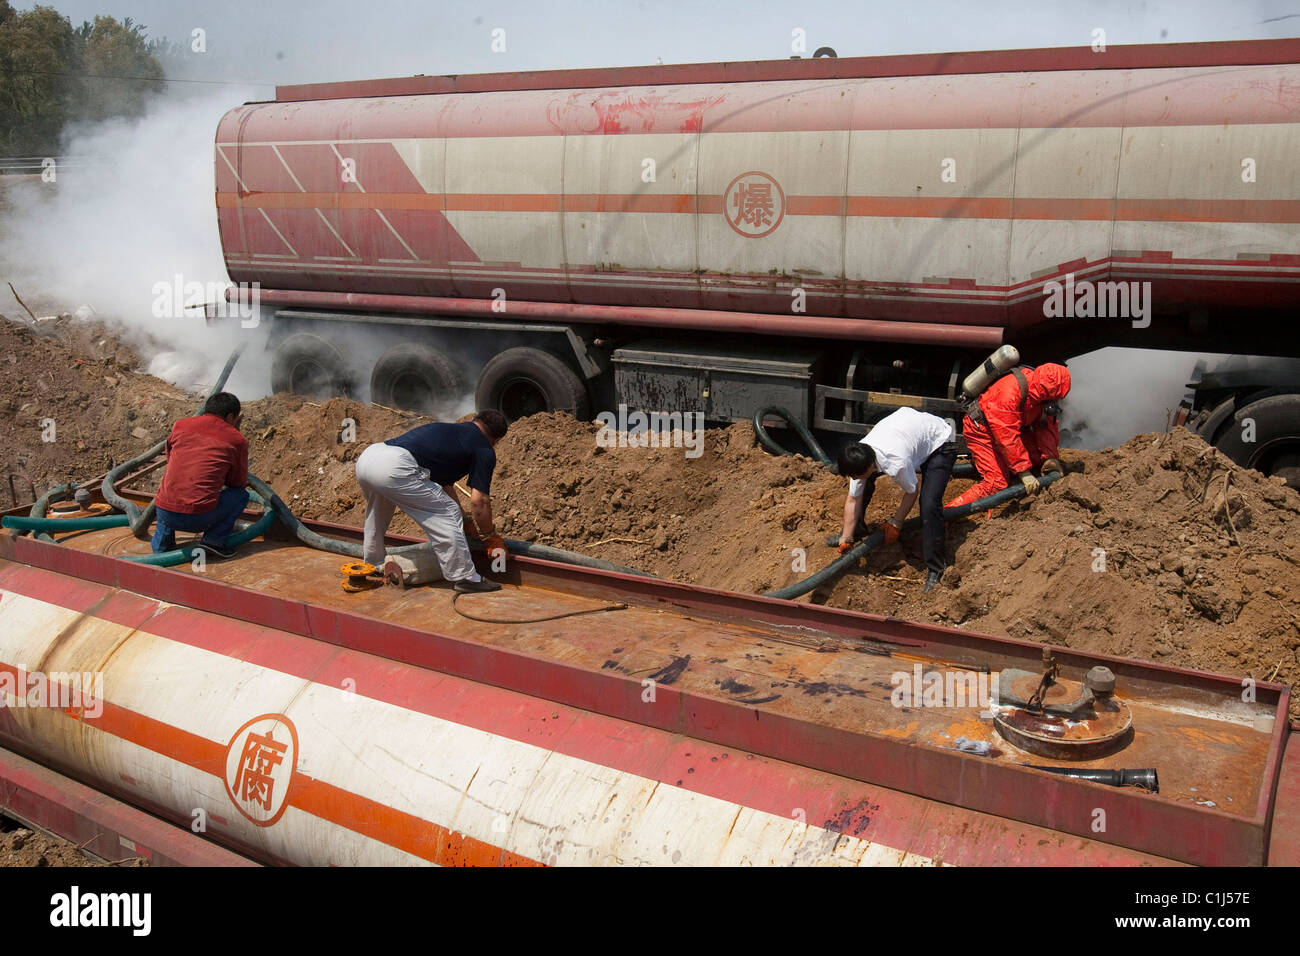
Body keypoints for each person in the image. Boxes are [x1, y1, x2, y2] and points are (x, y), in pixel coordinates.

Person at [355, 410, 509, 593]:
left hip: (369, 458)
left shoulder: (452, 434)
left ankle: (373, 562)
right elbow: (479, 501)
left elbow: (445, 487)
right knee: (449, 512)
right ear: (496, 440)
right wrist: (490, 537)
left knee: (378, 511)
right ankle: (466, 578)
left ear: (475, 421)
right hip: (394, 467)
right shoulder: (484, 448)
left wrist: (466, 522)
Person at [836, 406, 957, 592]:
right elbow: (853, 499)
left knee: (929, 504)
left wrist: (896, 522)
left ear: (870, 467)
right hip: (912, 435)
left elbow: (911, 491)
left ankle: (936, 568)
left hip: (939, 442)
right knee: (863, 486)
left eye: (856, 475)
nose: (853, 479)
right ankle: (857, 531)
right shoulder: (860, 454)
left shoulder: (896, 462)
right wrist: (846, 536)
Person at [947, 363, 1071, 508]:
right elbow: (1006, 437)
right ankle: (948, 512)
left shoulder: (1044, 396)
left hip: (1009, 429)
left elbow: (1046, 425)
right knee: (996, 483)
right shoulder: (1010, 392)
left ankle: (1010, 467)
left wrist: (1050, 458)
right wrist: (1024, 473)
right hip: (981, 431)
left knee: (1038, 459)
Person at [152, 392, 250, 557]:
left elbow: (171, 460)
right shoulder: (237, 440)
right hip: (197, 518)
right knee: (240, 495)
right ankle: (213, 542)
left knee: (171, 488)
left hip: (163, 511)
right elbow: (237, 483)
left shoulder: (180, 425)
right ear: (231, 416)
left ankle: (162, 546)